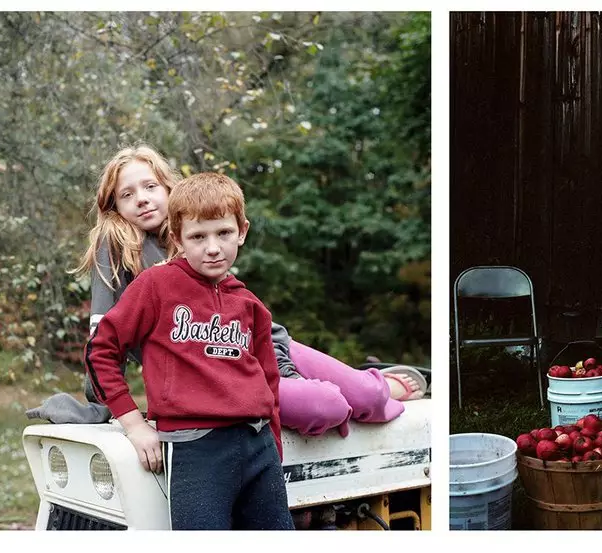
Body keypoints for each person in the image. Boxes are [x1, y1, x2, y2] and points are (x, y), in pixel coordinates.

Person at [27, 144, 423, 435]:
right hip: (222, 370)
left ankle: (378, 382)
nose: (142, 199)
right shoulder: (115, 247)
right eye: (127, 194)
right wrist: (106, 406)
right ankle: (339, 391)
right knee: (325, 403)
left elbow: (244, 311)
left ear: (169, 189)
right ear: (113, 205)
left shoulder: (198, 234)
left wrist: (283, 366)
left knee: (371, 400)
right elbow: (101, 333)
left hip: (269, 345)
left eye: (150, 186)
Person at [86, 172, 294, 529]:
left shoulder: (250, 304)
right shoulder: (156, 285)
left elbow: (269, 379)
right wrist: (134, 424)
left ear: (242, 231)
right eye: (198, 236)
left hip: (258, 446)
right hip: (196, 449)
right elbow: (100, 350)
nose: (212, 247)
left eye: (223, 233)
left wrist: (273, 443)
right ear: (177, 237)